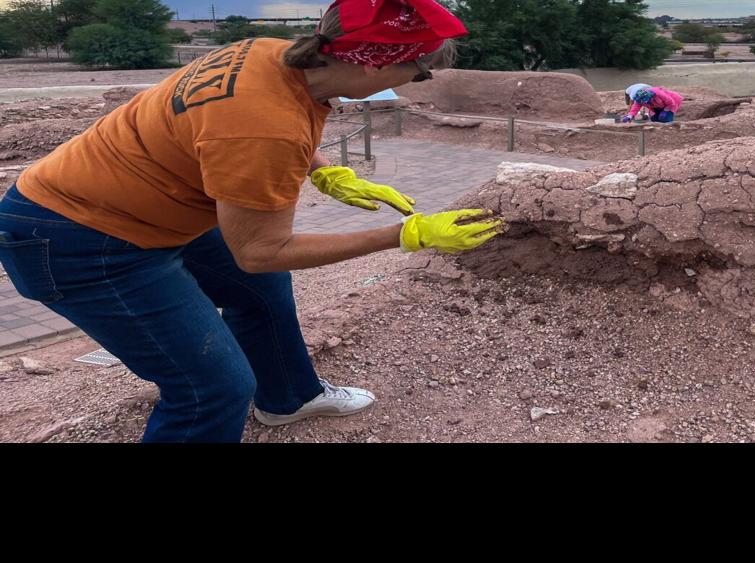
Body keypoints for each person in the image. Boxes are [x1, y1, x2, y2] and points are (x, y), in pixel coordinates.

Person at [0, 0, 501, 442]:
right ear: (377, 67)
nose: (417, 82)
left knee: (260, 291)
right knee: (211, 388)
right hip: (77, 238)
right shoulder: (267, 131)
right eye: (419, 72)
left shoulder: (269, 52)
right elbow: (260, 250)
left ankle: (288, 397)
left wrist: (329, 173)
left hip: (131, 200)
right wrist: (404, 235)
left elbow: (232, 122)